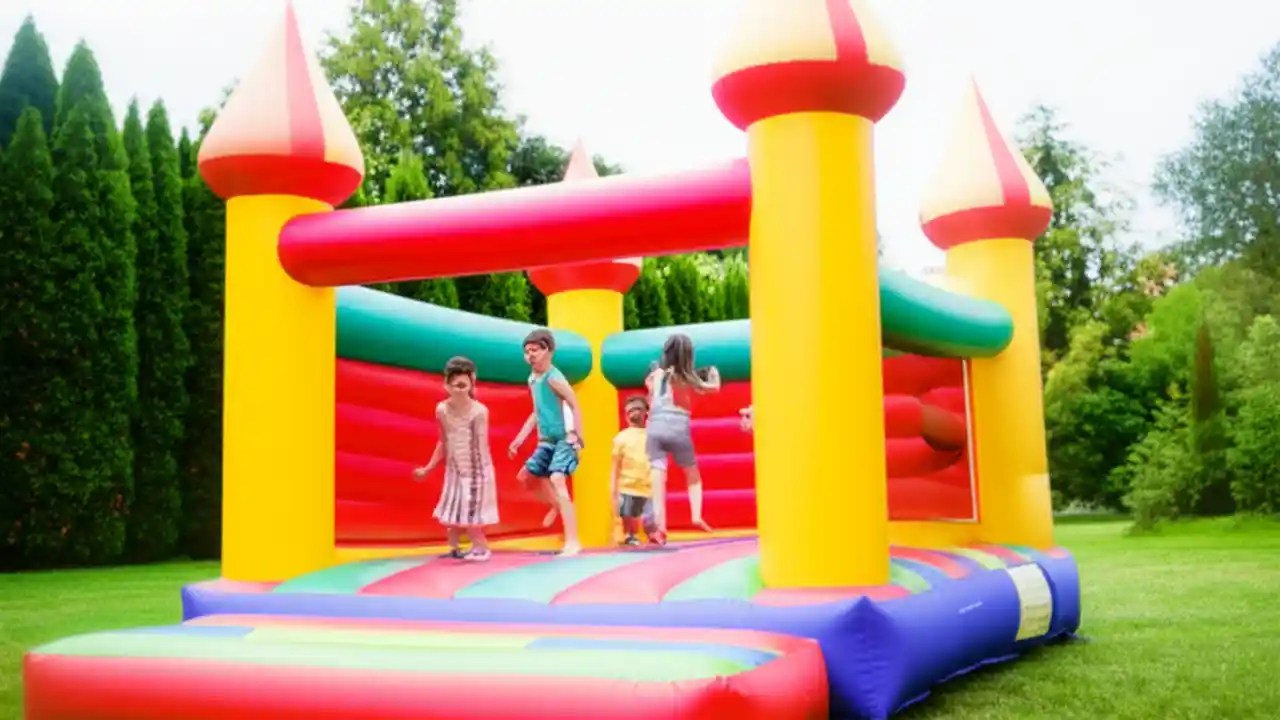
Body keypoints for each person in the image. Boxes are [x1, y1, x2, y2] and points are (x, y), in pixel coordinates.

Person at [412, 356, 498, 562]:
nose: (458, 390)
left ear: (471, 383)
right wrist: (429, 468)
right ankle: (455, 547)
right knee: (451, 511)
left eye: (462, 385)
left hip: (476, 470)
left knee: (471, 514)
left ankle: (481, 548)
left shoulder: (479, 412)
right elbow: (443, 441)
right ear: (446, 385)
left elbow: (481, 447)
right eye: (453, 385)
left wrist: (479, 478)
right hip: (454, 469)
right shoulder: (442, 409)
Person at [508, 328, 585, 556]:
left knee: (557, 478)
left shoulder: (554, 378)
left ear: (549, 351)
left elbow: (574, 404)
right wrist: (519, 439)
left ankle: (573, 541)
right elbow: (536, 411)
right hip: (546, 440)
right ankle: (556, 505)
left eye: (535, 350)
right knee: (527, 477)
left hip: (565, 438)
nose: (530, 355)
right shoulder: (533, 379)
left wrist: (577, 436)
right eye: (527, 352)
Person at [644, 333, 719, 537]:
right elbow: (713, 389)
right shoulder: (689, 377)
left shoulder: (658, 375)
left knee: (658, 474)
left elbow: (651, 399)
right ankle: (696, 515)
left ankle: (659, 523)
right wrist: (714, 374)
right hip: (678, 427)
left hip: (656, 426)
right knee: (692, 473)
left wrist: (650, 387)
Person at [611, 395, 663, 546]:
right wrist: (614, 489)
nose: (634, 413)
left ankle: (652, 535)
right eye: (630, 410)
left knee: (650, 520)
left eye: (638, 409)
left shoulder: (652, 435)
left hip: (648, 487)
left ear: (646, 412)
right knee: (629, 517)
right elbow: (615, 466)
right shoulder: (621, 438)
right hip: (627, 486)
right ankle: (629, 536)